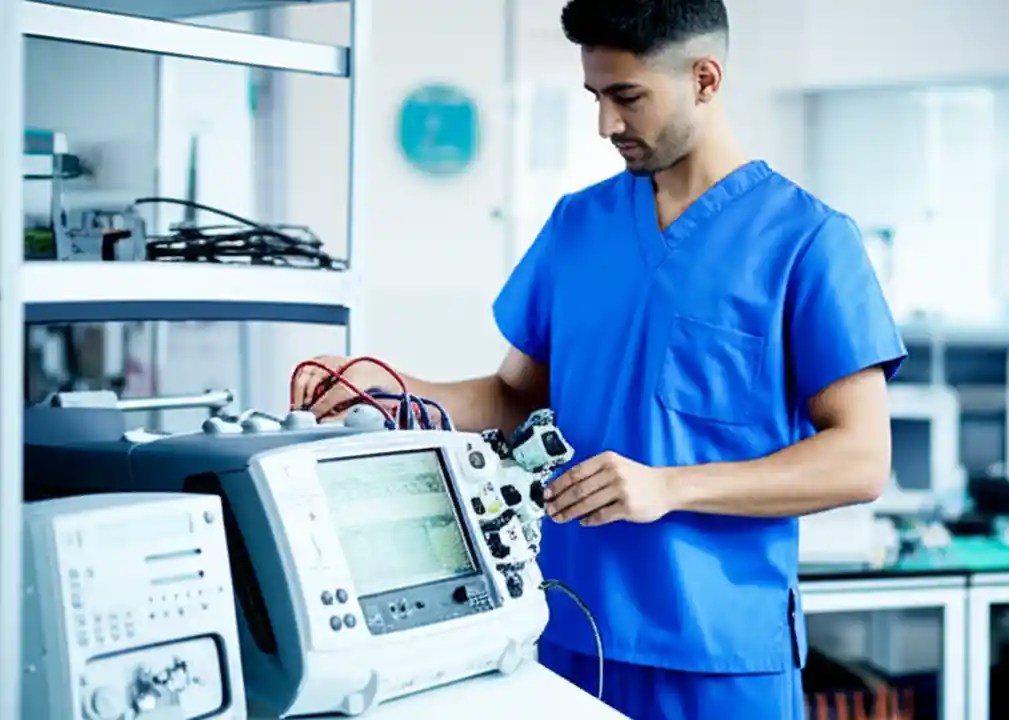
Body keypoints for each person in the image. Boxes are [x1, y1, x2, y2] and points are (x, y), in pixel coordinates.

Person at [291, 0, 906, 717]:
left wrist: (668, 487)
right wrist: (393, 391)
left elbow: (860, 460)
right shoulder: (578, 225)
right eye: (596, 96)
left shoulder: (808, 242)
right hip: (568, 633)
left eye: (628, 96)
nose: (606, 124)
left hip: (718, 658)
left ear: (705, 79)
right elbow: (512, 398)